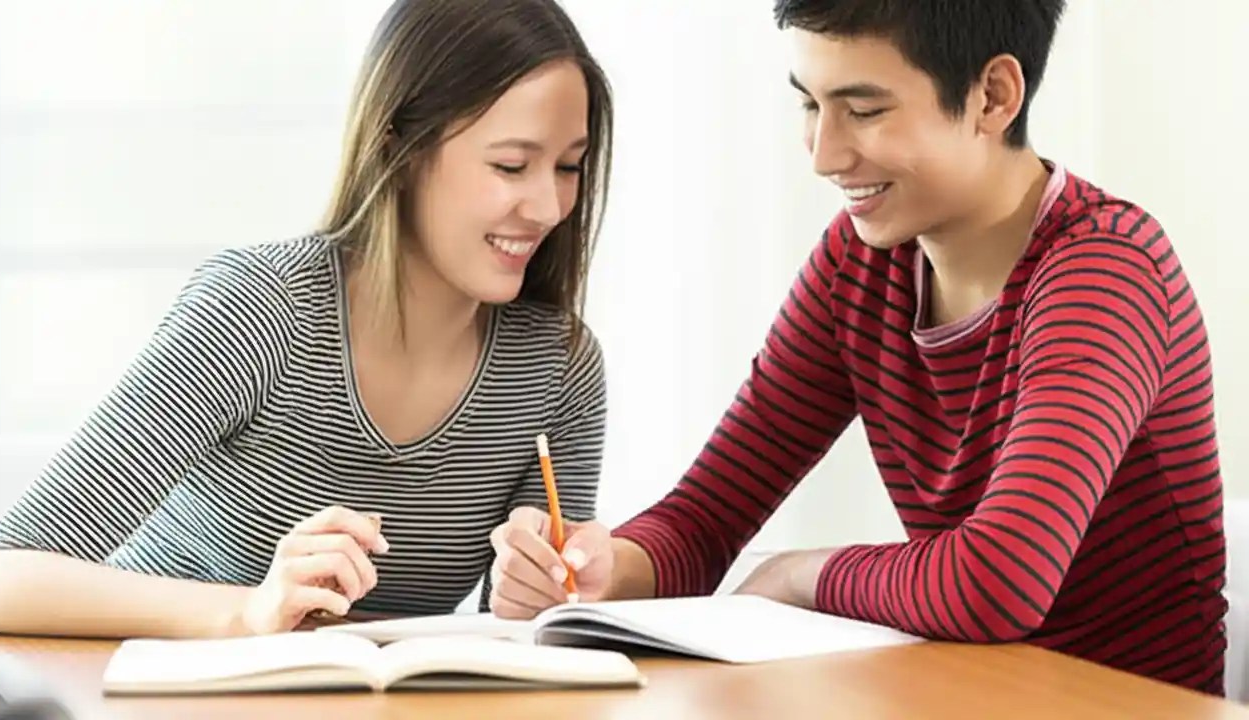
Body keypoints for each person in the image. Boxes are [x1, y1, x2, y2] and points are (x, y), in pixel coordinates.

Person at [488, 0, 1227, 696]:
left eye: (864, 111)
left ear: (994, 97)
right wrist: (605, 568)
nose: (823, 154)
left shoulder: (1105, 271)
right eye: (810, 105)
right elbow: (706, 519)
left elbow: (998, 582)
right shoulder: (862, 264)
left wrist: (797, 574)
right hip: (960, 697)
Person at [0, 0, 613, 639]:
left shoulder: (559, 369)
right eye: (510, 166)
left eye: (568, 167)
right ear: (400, 147)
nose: (550, 206)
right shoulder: (262, 308)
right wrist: (248, 613)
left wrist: (540, 600)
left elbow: (513, 643)